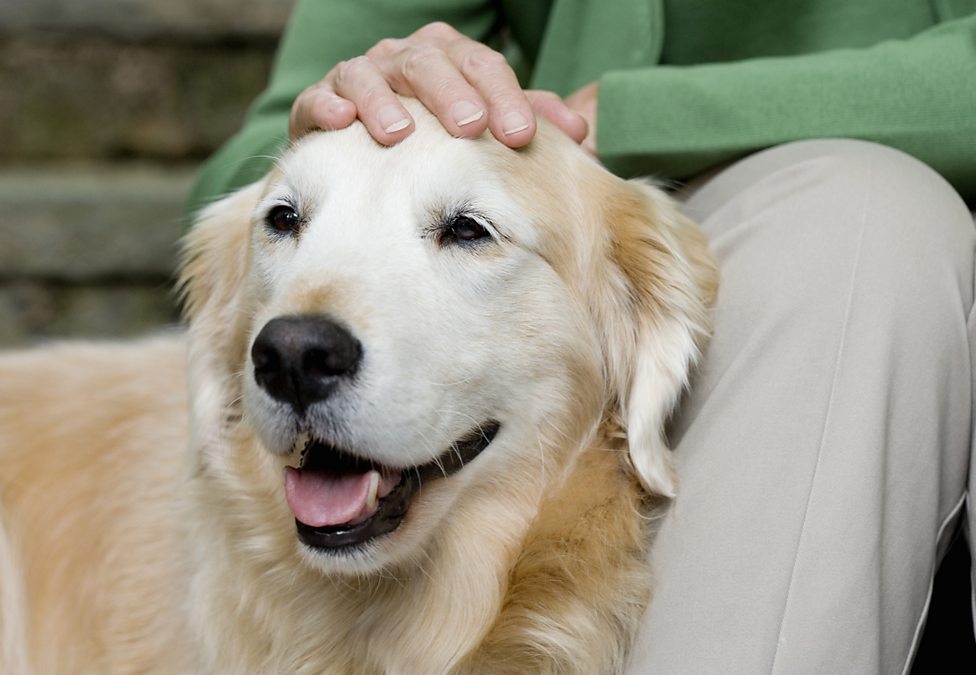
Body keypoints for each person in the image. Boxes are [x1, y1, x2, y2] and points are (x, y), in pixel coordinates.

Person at [189, 1, 976, 672]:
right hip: (567, 235)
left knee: (864, 223)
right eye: (290, 220)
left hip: (851, 253)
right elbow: (239, 175)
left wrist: (626, 115)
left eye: (464, 229)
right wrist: (343, 108)